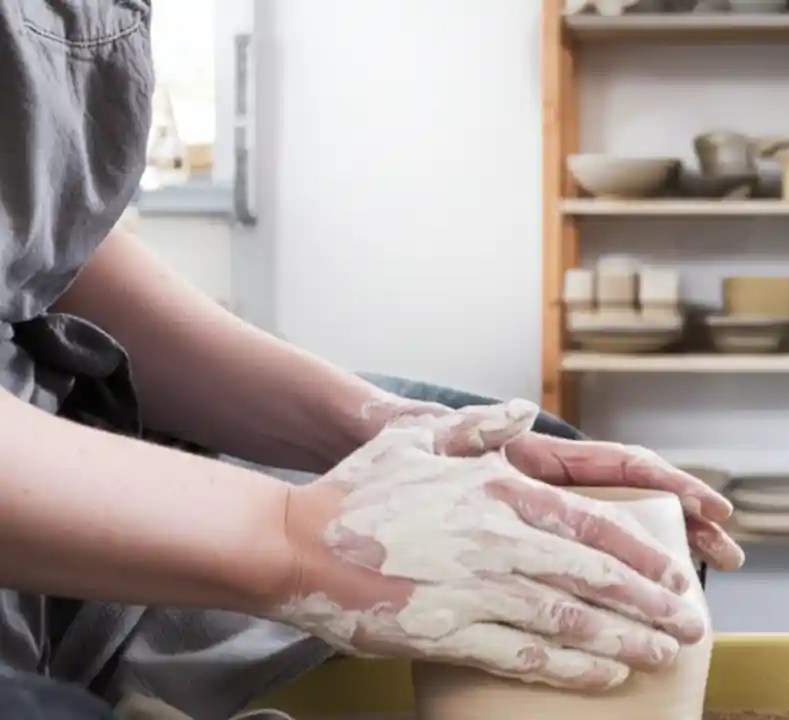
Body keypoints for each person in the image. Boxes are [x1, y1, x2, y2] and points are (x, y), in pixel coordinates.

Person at [0, 4, 744, 718]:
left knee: (535, 493)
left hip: (47, 413)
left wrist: (393, 435)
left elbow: (53, 251)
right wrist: (296, 542)